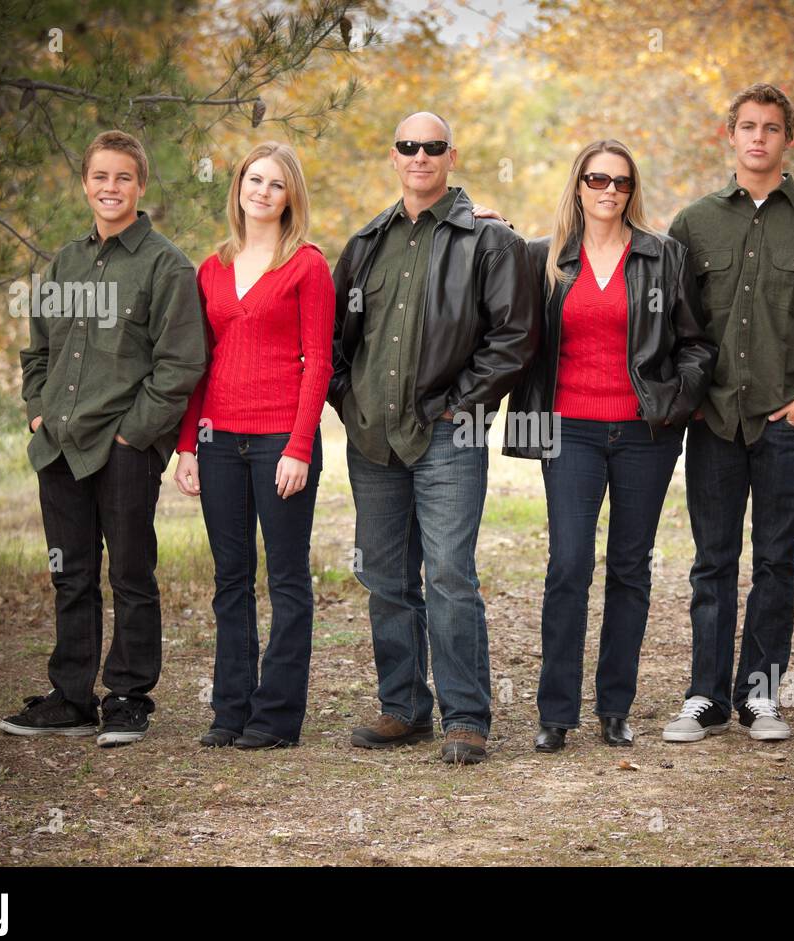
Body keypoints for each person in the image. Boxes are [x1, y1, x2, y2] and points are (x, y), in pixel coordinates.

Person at [329, 111, 539, 765]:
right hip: (373, 442)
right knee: (387, 578)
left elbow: (514, 337)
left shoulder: (487, 242)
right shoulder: (366, 244)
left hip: (449, 436)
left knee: (450, 576)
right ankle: (403, 709)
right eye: (408, 146)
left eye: (433, 146)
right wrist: (349, 402)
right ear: (393, 155)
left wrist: (462, 404)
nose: (420, 155)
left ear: (452, 155)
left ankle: (466, 718)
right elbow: (335, 341)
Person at [662, 83, 794, 743]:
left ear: (788, 139)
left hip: (789, 421)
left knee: (777, 559)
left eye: (771, 128)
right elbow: (671, 325)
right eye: (747, 126)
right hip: (715, 421)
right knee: (712, 559)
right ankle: (704, 697)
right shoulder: (693, 225)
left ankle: (761, 699)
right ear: (731, 135)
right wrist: (688, 397)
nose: (758, 137)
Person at [503, 140, 715, 752]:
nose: (609, 191)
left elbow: (696, 344)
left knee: (630, 567)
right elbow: (513, 334)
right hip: (567, 429)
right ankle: (555, 713)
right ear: (579, 186)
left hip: (644, 434)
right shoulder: (544, 259)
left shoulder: (662, 256)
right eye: (597, 180)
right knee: (568, 565)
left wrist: (674, 402)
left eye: (621, 183)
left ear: (631, 190)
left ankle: (615, 709)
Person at [7, 130, 206, 746]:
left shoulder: (165, 265)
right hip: (60, 447)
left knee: (131, 572)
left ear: (140, 185)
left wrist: (134, 434)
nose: (110, 188)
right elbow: (36, 350)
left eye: (123, 178)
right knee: (70, 572)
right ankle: (71, 697)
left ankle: (127, 696)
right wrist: (39, 412)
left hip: (123, 448)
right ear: (86, 184)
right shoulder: (65, 263)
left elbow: (181, 362)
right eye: (100, 177)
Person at [173, 143, 335, 750]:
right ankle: (230, 709)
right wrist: (188, 445)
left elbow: (318, 361)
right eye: (253, 180)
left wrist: (297, 446)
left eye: (275, 184)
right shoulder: (211, 268)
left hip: (278, 441)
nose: (261, 191)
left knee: (288, 577)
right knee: (230, 577)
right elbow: (200, 362)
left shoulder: (307, 265)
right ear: (238, 187)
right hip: (218, 440)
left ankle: (276, 716)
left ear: (290, 197)